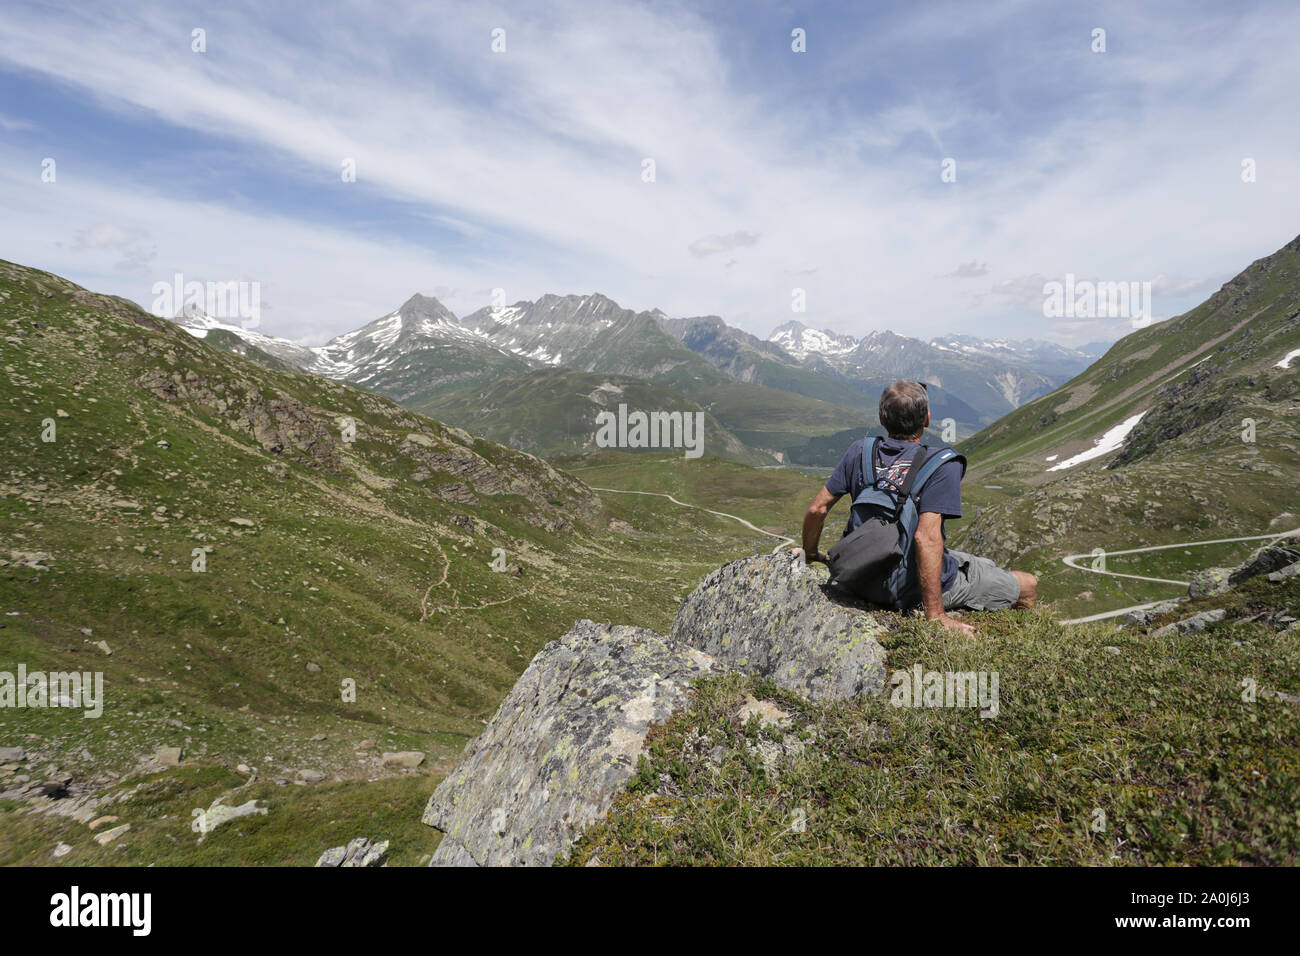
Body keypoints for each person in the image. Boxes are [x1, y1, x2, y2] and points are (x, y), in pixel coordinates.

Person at [800, 380, 1037, 637]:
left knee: (977, 562)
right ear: (926, 419)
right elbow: (926, 538)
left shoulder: (860, 451)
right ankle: (1024, 639)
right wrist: (935, 615)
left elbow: (816, 510)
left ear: (882, 417)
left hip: (858, 578)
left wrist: (811, 554)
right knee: (1027, 584)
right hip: (905, 589)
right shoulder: (941, 465)